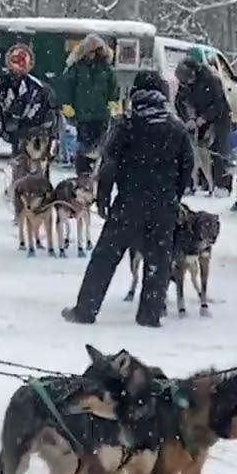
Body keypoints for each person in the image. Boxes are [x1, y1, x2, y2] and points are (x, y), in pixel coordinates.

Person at [61, 71, 192, 328]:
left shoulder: (127, 124)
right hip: (162, 203)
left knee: (105, 257)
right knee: (158, 259)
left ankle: (86, 309)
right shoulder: (176, 127)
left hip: (129, 202)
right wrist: (174, 195)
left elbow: (109, 164)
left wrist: (104, 197)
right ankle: (150, 314)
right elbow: (187, 166)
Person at [59, 34, 119, 177]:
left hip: (101, 115)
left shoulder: (106, 69)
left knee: (100, 146)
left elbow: (113, 89)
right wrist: (67, 104)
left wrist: (114, 105)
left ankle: (96, 173)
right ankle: (83, 173)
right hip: (82, 115)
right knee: (83, 147)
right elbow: (67, 86)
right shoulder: (76, 68)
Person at [175, 55, 232, 195]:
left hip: (220, 116)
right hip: (199, 117)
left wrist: (204, 118)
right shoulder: (186, 85)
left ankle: (222, 184)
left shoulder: (211, 81)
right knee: (193, 149)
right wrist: (188, 119)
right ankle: (195, 182)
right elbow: (179, 103)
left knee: (217, 148)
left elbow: (220, 104)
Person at [0, 44, 56, 149]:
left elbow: (42, 112)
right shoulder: (1, 83)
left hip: (33, 131)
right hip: (16, 129)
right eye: (14, 61)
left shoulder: (38, 88)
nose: (17, 69)